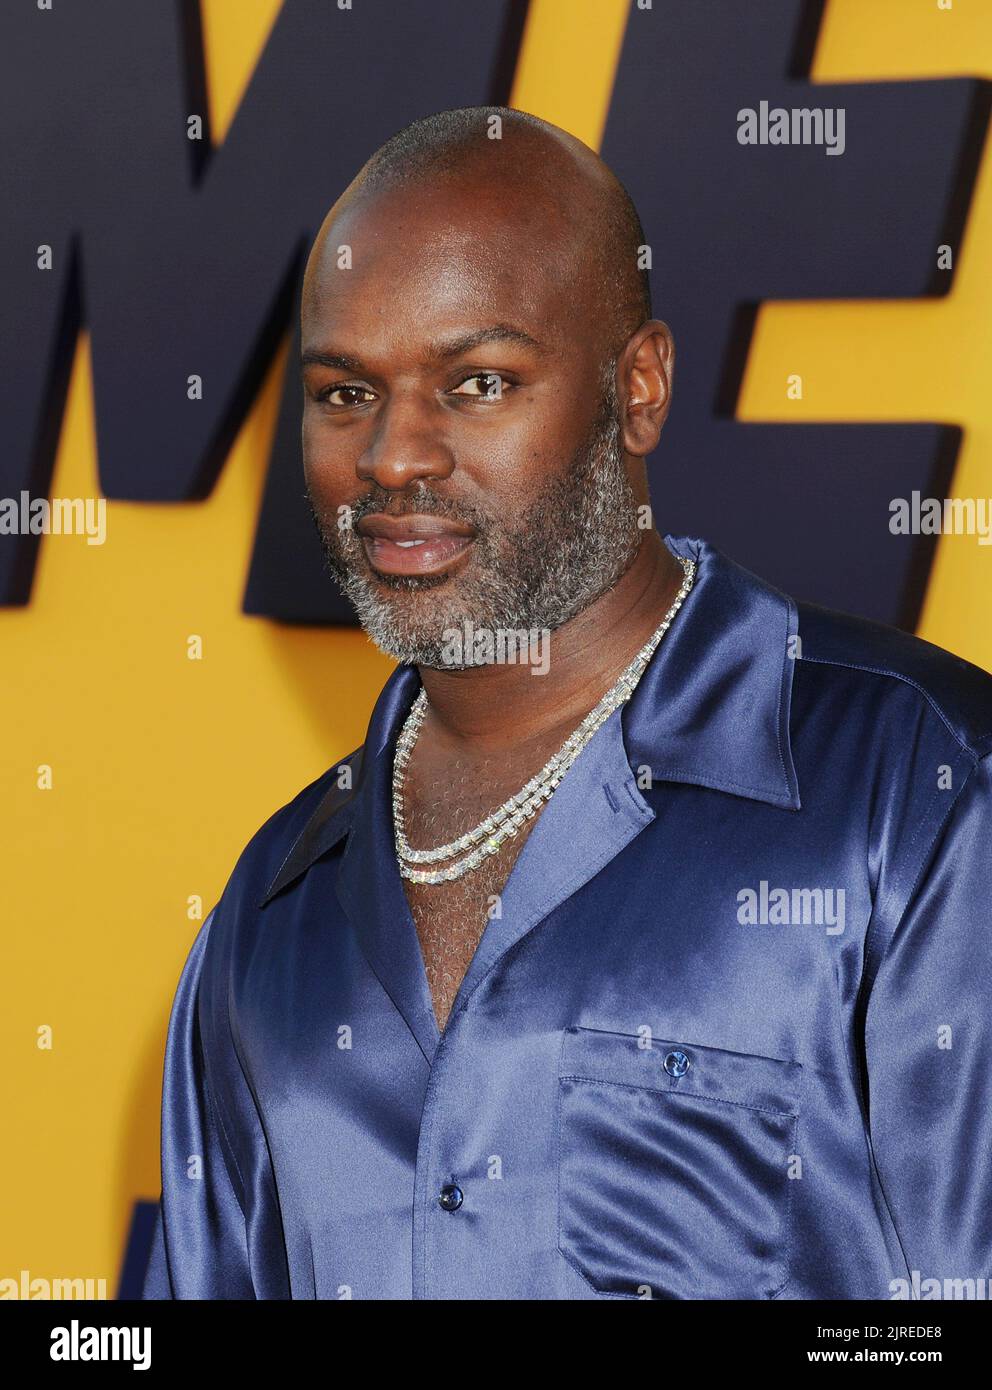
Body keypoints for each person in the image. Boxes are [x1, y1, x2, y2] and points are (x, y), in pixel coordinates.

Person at [143, 106, 992, 1301]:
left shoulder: (919, 788)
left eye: (476, 381)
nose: (393, 457)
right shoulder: (271, 912)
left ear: (635, 388)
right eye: (343, 393)